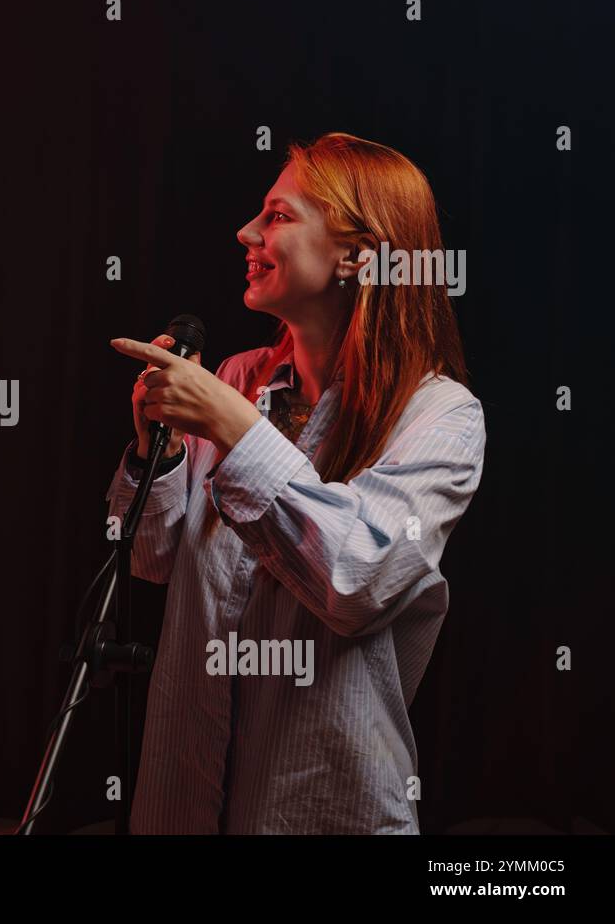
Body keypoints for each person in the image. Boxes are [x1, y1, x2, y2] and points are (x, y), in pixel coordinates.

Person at [107, 132, 486, 833]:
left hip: (318, 808)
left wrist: (237, 433)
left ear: (356, 254)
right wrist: (151, 449)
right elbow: (148, 557)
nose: (246, 231)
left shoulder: (442, 416)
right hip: (183, 800)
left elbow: (357, 578)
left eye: (278, 216)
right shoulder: (235, 379)